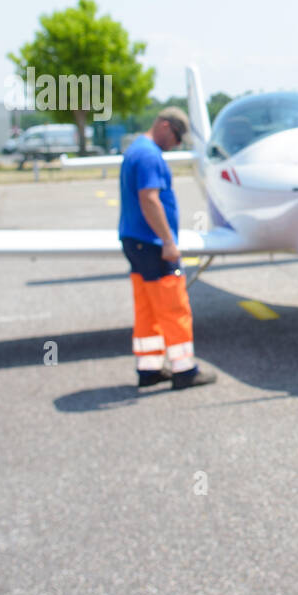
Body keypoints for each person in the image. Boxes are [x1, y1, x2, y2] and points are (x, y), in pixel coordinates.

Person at [119, 107, 216, 390]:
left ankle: (148, 368)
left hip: (135, 241)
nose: (175, 143)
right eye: (175, 136)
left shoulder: (136, 150)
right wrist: (168, 242)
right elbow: (149, 199)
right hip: (152, 244)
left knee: (147, 308)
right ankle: (184, 370)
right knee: (174, 306)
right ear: (163, 125)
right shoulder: (149, 155)